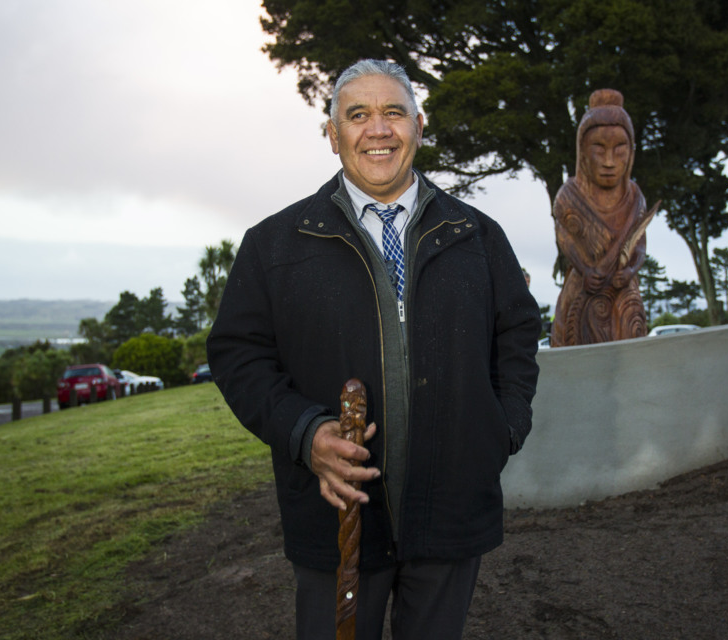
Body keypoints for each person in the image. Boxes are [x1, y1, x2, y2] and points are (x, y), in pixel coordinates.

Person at [207, 59, 541, 640]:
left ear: (419, 126)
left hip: (453, 513)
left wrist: (503, 428)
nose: (378, 129)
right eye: (358, 115)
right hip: (335, 518)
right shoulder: (274, 245)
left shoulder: (478, 236)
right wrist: (304, 434)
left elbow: (517, 334)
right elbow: (238, 356)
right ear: (333, 135)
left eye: (394, 113)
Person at [550, 88, 654, 346]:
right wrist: (585, 269)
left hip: (623, 299)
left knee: (629, 351)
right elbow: (565, 239)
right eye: (598, 148)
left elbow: (639, 244)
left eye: (619, 149)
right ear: (583, 151)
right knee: (574, 350)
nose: (609, 161)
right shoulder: (569, 195)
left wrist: (629, 271)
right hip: (582, 292)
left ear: (631, 151)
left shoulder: (634, 197)